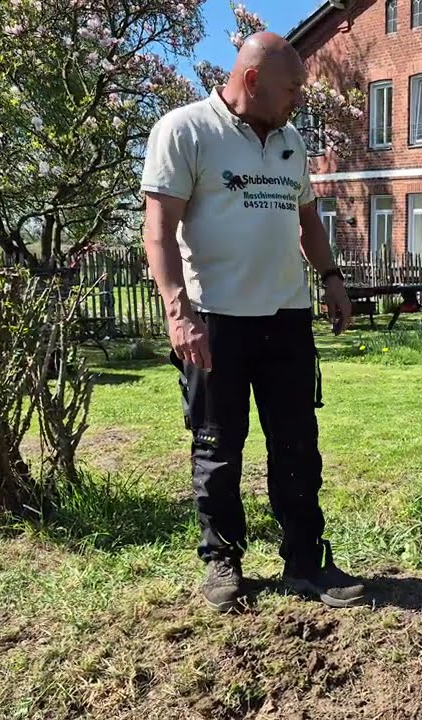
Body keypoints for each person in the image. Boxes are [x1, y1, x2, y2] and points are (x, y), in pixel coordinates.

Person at [139, 31, 364, 612]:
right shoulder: (185, 130)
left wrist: (332, 278)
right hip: (216, 320)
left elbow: (308, 221)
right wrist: (176, 310)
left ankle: (305, 563)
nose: (299, 100)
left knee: (297, 443)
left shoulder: (291, 140)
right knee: (218, 445)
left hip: (286, 316)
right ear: (253, 80)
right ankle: (222, 563)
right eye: (292, 88)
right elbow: (158, 230)